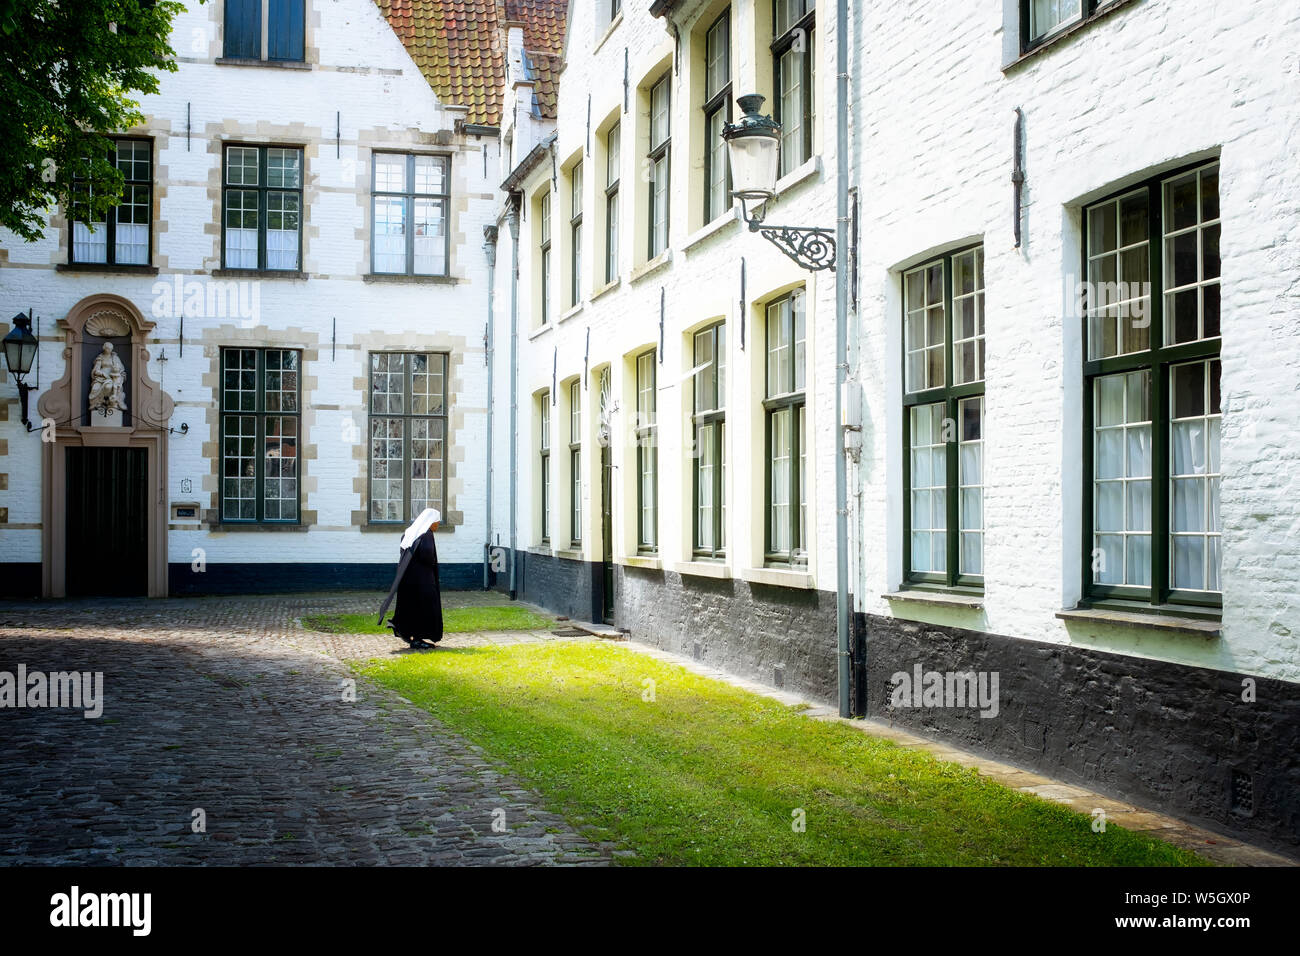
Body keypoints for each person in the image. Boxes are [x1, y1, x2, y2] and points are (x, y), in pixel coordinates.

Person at [378, 508, 444, 648]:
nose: (438, 525)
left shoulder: (410, 533)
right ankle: (417, 638)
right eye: (437, 522)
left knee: (409, 605)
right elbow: (427, 556)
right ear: (430, 522)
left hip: (407, 579)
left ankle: (405, 630)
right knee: (423, 607)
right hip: (422, 580)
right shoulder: (426, 534)